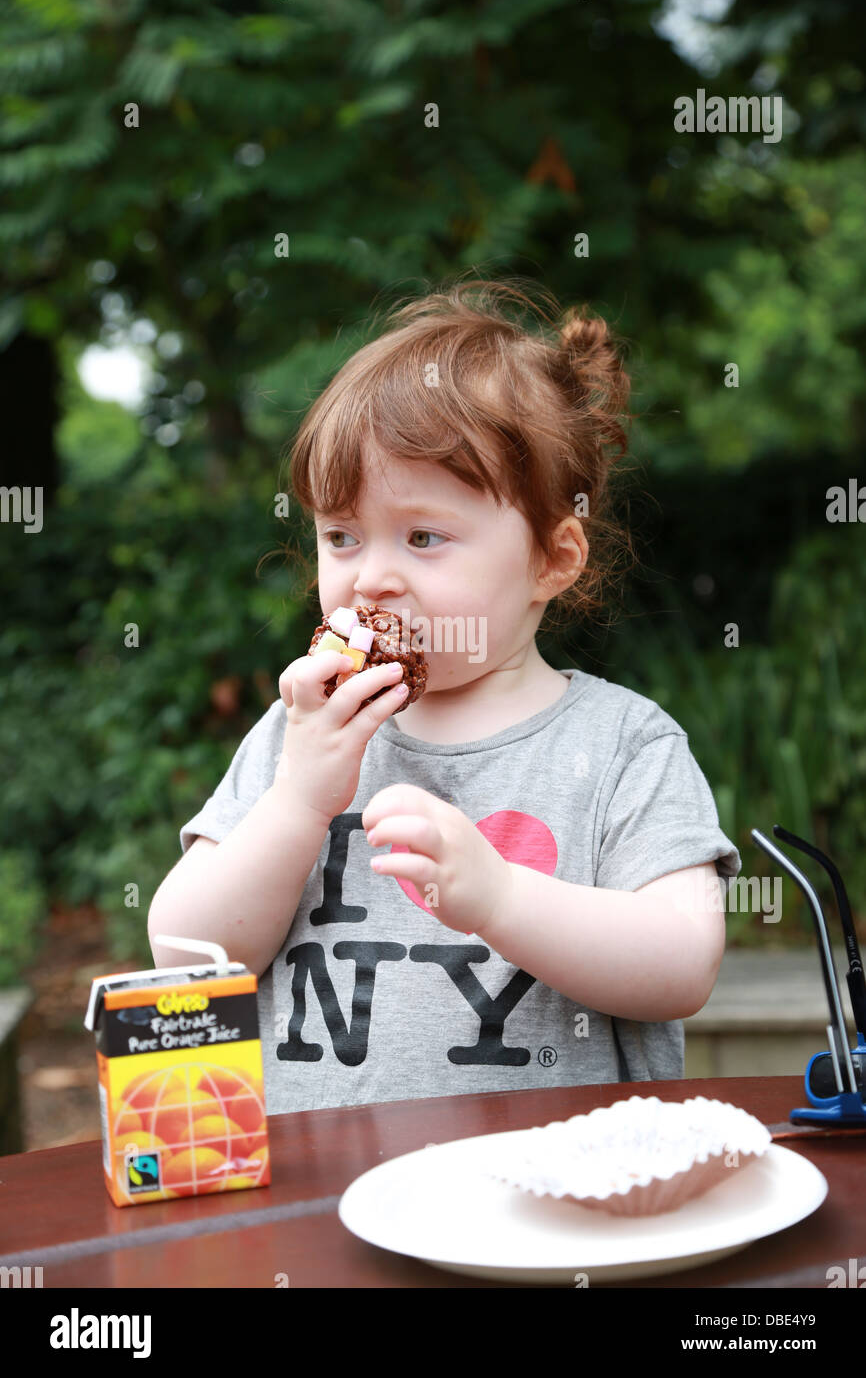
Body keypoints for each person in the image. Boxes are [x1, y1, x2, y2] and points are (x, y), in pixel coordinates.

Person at [148, 278, 740, 1115]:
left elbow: (682, 963)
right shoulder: (302, 732)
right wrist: (297, 803)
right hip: (325, 1202)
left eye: (424, 537)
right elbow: (187, 956)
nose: (372, 577)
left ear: (552, 559)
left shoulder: (623, 746)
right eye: (341, 536)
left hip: (547, 1200)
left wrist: (499, 899)